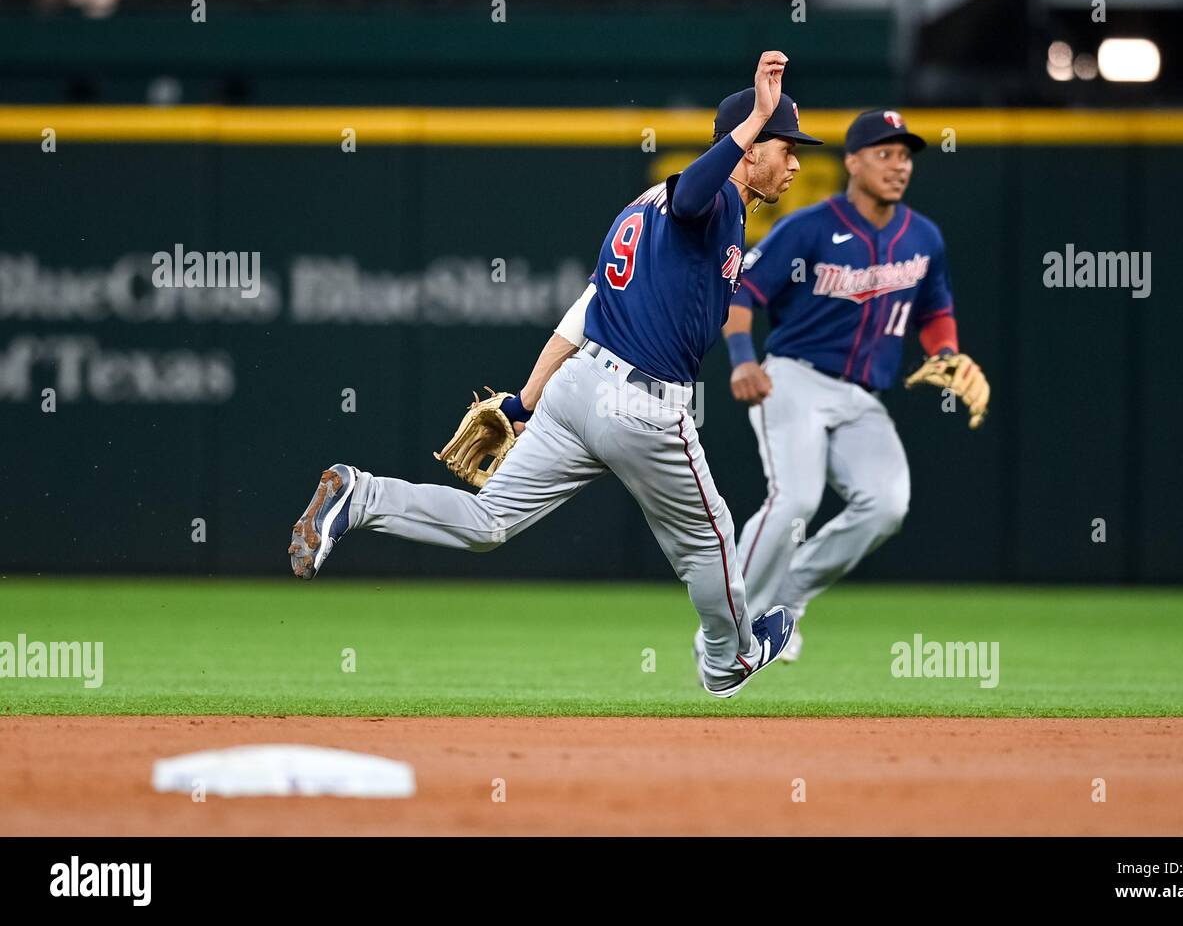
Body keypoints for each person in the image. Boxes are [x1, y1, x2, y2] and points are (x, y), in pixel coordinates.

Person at [288, 51, 822, 697]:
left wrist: (526, 398)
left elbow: (586, 307)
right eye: (784, 146)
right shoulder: (704, 201)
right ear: (746, 148)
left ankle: (363, 495)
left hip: (575, 390)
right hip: (640, 406)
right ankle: (727, 662)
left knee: (487, 525)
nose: (795, 163)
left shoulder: (640, 206)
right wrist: (755, 117)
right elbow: (692, 193)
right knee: (709, 549)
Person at [722, 108, 989, 662]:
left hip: (862, 396)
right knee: (795, 499)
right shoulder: (809, 226)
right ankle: (728, 630)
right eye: (884, 154)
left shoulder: (924, 237)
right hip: (793, 378)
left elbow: (936, 308)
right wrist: (743, 361)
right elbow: (742, 291)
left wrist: (945, 354)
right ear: (852, 162)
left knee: (887, 505)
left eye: (905, 156)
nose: (899, 166)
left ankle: (788, 600)